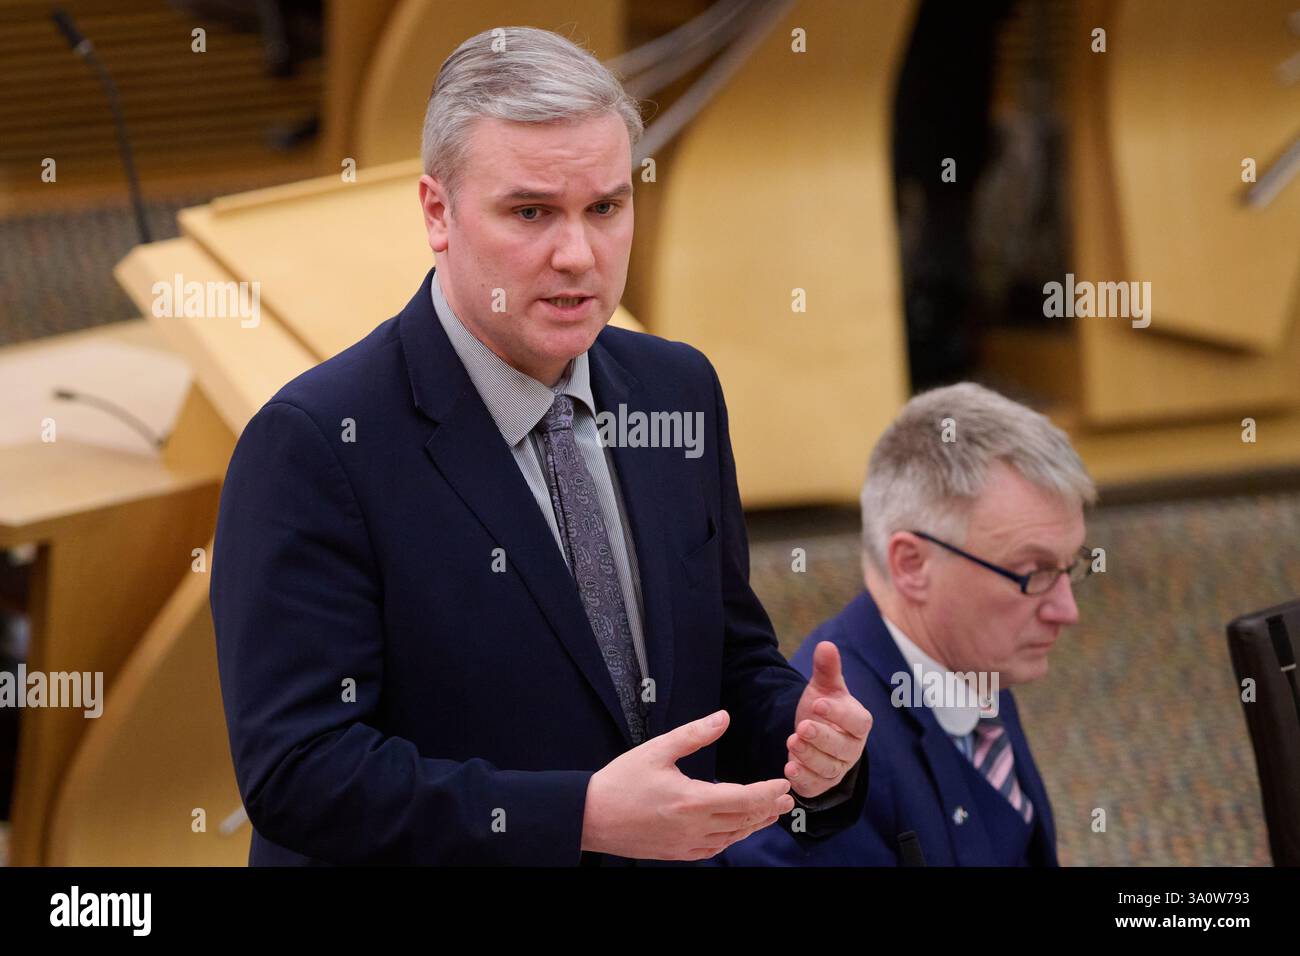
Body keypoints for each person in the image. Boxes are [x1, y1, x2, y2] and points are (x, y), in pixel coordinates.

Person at [210, 26, 871, 866]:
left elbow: (728, 662)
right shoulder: (313, 444)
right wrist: (578, 817)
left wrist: (807, 749)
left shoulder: (678, 391)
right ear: (437, 214)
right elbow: (298, 773)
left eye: (606, 208)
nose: (577, 254)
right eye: (531, 212)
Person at [723, 382, 1097, 865]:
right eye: (1034, 574)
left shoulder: (975, 658)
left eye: (1070, 567)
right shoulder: (826, 760)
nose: (1067, 610)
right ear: (912, 565)